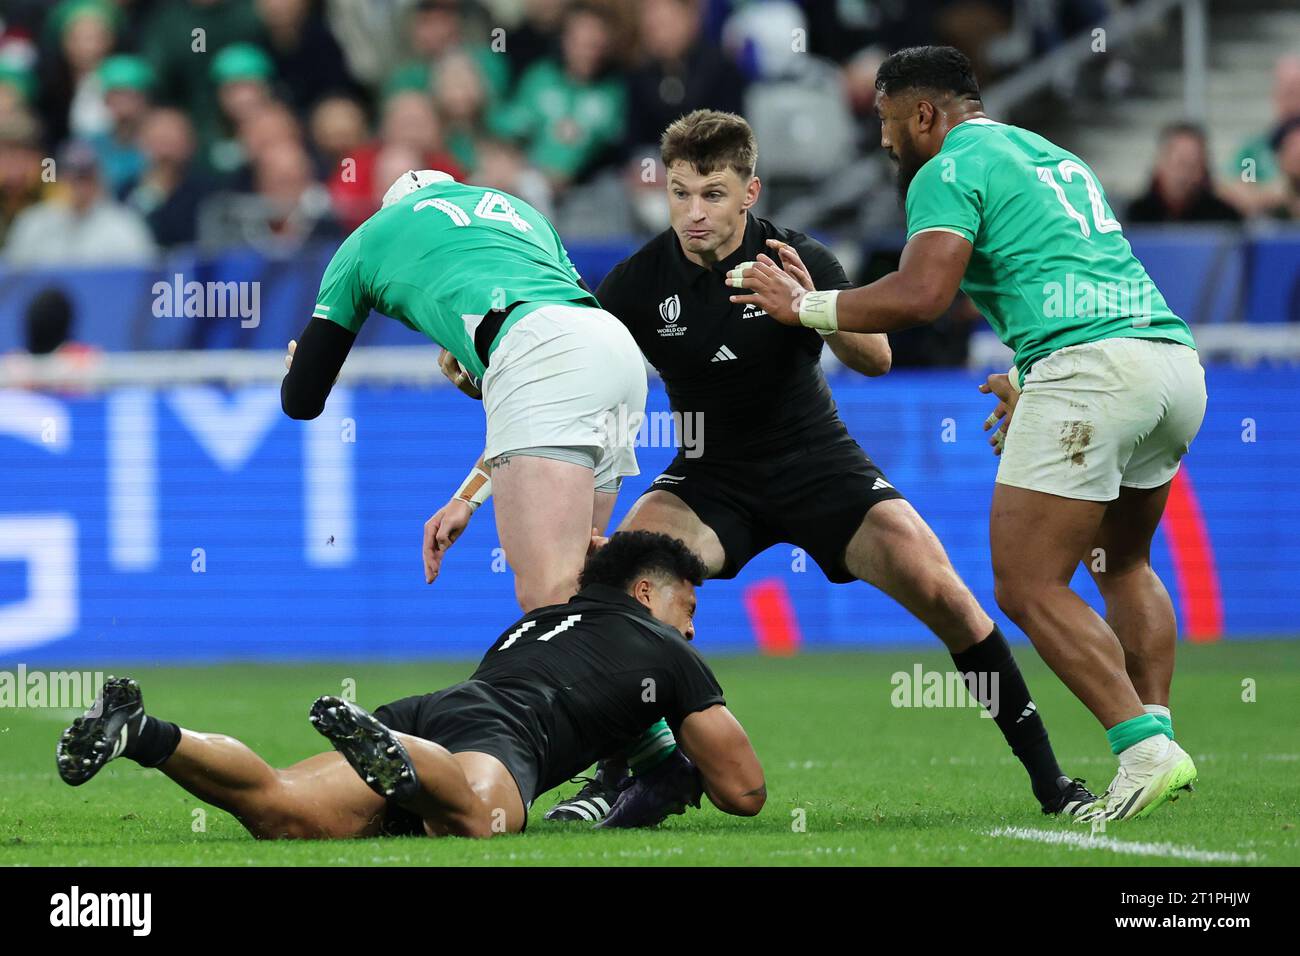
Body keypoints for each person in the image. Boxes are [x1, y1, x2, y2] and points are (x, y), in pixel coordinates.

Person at [525, 108, 1091, 823]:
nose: (693, 212)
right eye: (680, 192)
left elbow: (878, 359)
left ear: (750, 192)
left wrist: (810, 308)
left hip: (819, 465)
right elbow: (578, 372)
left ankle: (1052, 785)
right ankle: (624, 776)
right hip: (710, 475)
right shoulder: (639, 283)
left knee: (946, 595)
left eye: (713, 194)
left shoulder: (799, 257)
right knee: (618, 586)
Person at [732, 46, 1205, 823]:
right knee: (1122, 562)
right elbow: (1066, 267)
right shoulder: (1046, 153)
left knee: (1025, 584)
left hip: (1091, 369)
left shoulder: (948, 165)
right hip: (1170, 363)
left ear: (925, 113)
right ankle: (1159, 750)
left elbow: (922, 295)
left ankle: (1145, 750)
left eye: (887, 122)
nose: (885, 142)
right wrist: (1039, 371)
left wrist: (808, 308)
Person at [56, 532, 764, 838]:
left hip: (441, 706)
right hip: (500, 735)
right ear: (647, 593)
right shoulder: (665, 649)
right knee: (476, 820)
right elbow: (744, 792)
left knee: (283, 810)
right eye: (689, 609)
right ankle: (394, 754)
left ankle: (143, 734)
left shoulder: (544, 621)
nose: (692, 629)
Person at [281, 168, 646, 616]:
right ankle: (633, 676)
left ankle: (661, 670)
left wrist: (307, 371)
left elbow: (301, 402)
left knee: (548, 597)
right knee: (585, 583)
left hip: (537, 352)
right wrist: (465, 498)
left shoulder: (365, 238)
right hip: (615, 350)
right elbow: (567, 341)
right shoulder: (518, 212)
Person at [1126, 123, 1241, 224]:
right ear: (1161, 163)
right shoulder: (1135, 216)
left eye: (1193, 165)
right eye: (1180, 163)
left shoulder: (1223, 218)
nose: (1184, 174)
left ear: (1204, 169)